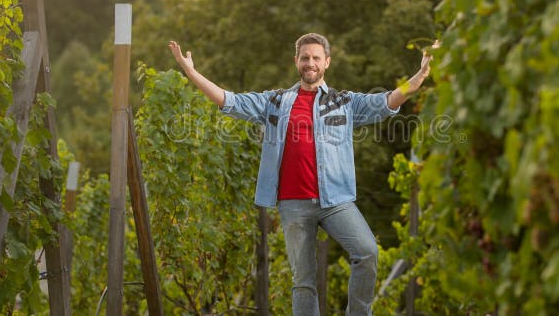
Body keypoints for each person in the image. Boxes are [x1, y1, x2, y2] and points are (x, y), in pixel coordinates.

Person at [167, 33, 432, 316]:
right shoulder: (275, 102)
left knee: (367, 251)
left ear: (327, 62)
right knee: (303, 282)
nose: (310, 63)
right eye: (305, 57)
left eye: (316, 57)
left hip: (335, 200)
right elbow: (229, 101)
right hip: (292, 203)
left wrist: (420, 75)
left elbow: (388, 101)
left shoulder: (344, 102)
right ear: (296, 61)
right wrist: (191, 71)